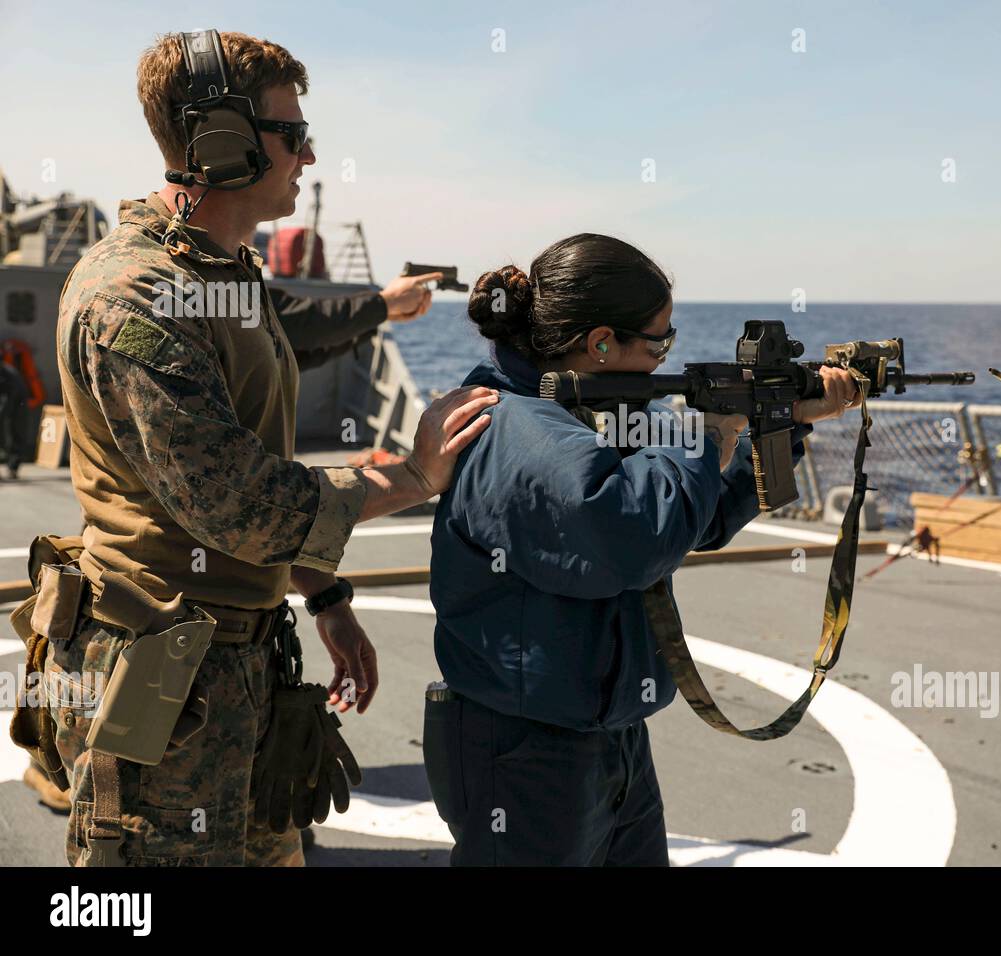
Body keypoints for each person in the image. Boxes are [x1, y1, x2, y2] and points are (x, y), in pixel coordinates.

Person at [44, 30, 497, 867]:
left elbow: (267, 385)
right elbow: (242, 505)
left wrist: (324, 597)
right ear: (222, 144)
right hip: (161, 693)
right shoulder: (135, 301)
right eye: (293, 133)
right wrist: (418, 473)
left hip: (237, 669)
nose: (310, 154)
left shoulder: (218, 273)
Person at [423, 233, 861, 865]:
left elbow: (686, 521)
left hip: (604, 734)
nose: (664, 359)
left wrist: (786, 424)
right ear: (601, 342)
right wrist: (715, 433)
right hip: (526, 751)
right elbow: (633, 536)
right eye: (659, 343)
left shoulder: (576, 409)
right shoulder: (515, 426)